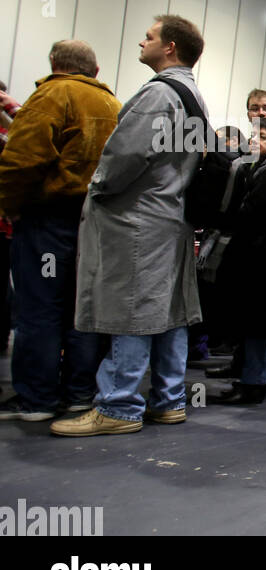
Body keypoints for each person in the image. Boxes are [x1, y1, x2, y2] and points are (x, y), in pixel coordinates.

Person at [50, 15, 207, 437]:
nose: (142, 41)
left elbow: (126, 155)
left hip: (138, 219)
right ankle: (169, 399)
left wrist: (97, 186)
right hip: (171, 215)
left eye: (150, 36)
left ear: (170, 47)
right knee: (168, 311)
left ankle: (119, 405)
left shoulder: (158, 94)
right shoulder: (192, 94)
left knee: (131, 310)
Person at [0, 40, 120, 421]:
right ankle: (79, 394)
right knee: (81, 311)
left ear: (54, 63)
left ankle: (37, 398)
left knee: (40, 309)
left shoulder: (51, 95)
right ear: (96, 70)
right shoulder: (114, 105)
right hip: (95, 224)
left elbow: (22, 161)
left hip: (49, 221)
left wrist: (10, 207)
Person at [210, 119, 266, 405]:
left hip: (259, 257)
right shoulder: (258, 169)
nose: (256, 140)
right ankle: (250, 377)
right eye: (255, 135)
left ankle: (254, 382)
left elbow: (251, 216)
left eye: (264, 137)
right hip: (255, 255)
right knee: (252, 322)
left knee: (257, 322)